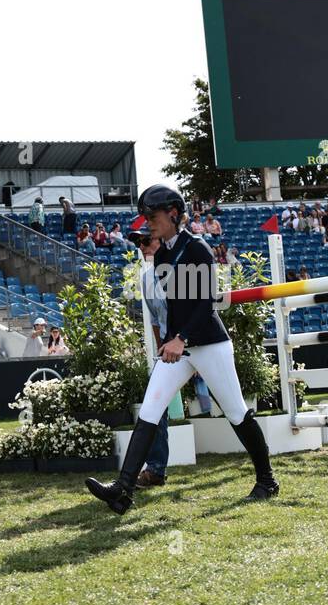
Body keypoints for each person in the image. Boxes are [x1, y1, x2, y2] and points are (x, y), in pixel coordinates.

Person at [86, 185, 279, 514]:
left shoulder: (199, 249)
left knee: (235, 412)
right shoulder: (161, 254)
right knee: (149, 409)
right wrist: (170, 337)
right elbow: (169, 304)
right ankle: (123, 488)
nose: (149, 222)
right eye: (146, 217)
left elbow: (205, 304)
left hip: (209, 344)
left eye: (153, 216)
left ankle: (267, 480)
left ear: (174, 214)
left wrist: (180, 339)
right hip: (179, 346)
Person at [132, 229, 213, 489]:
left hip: (202, 344)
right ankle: (154, 469)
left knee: (232, 406)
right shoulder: (145, 280)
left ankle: (260, 462)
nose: (142, 247)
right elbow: (156, 321)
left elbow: (204, 306)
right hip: (170, 350)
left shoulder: (183, 267)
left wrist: (186, 340)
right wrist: (160, 352)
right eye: (138, 243)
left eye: (146, 241)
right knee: (154, 404)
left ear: (162, 241)